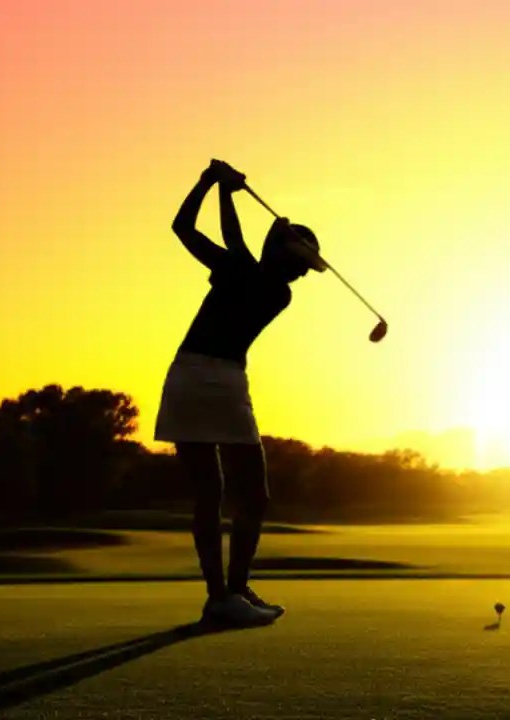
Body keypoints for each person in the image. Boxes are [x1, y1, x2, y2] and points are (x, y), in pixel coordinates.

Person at [154, 159, 325, 627]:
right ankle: (232, 591)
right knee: (253, 494)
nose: (304, 275)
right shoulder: (270, 285)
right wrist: (221, 188)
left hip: (183, 376)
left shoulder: (257, 279)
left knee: (208, 494)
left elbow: (186, 227)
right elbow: (234, 242)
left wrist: (214, 184)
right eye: (302, 265)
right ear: (286, 259)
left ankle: (223, 597)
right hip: (222, 381)